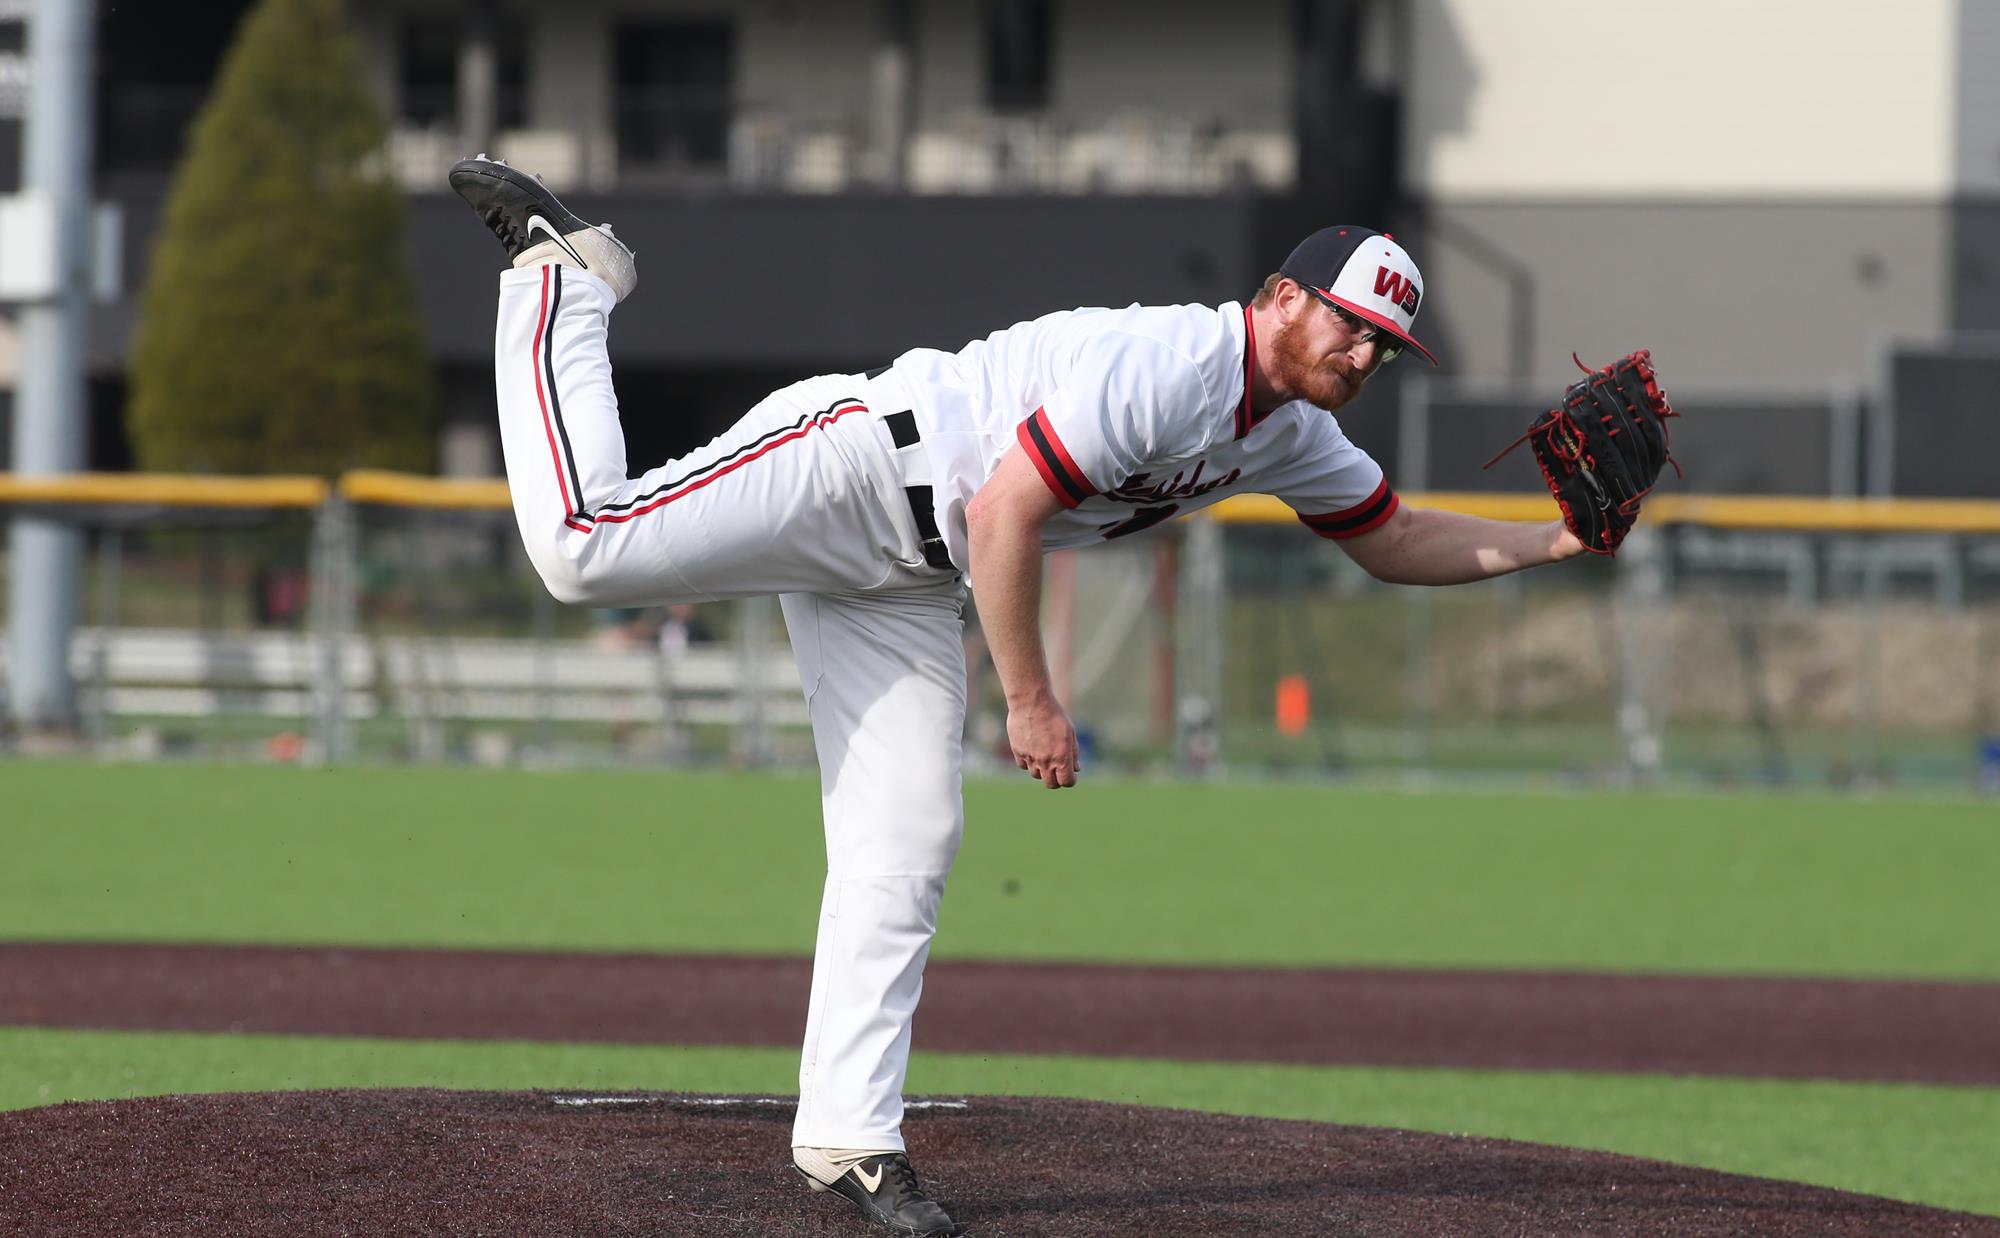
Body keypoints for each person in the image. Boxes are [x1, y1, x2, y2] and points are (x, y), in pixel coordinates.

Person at [448, 156, 1588, 1237]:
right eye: (1349, 323)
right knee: (582, 551)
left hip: (911, 575)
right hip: (852, 465)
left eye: (1383, 344)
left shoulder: (1289, 432)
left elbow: (1392, 539)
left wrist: (1556, 537)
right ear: (1281, 297)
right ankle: (567, 278)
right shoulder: (1179, 364)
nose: (1361, 354)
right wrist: (1029, 697)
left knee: (908, 836)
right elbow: (1006, 511)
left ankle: (846, 1134)